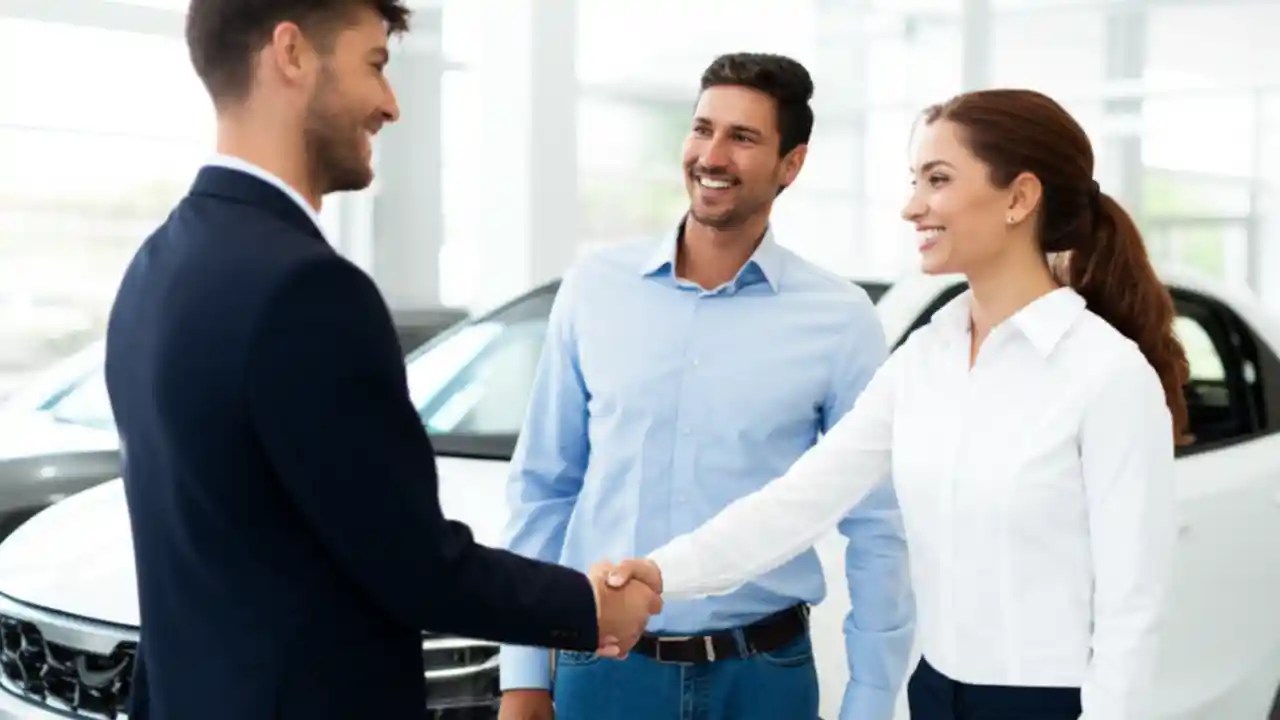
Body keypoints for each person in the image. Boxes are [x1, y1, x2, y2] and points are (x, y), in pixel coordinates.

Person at [103, 2, 659, 719]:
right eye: (375, 64)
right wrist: (587, 607)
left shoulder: (155, 268)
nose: (390, 106)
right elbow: (411, 563)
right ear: (292, 53)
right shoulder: (307, 289)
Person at [609, 88, 1190, 720]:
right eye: (914, 180)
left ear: (1020, 198)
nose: (913, 207)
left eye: (937, 180)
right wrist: (660, 572)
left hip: (1054, 704)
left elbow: (1133, 608)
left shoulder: (1106, 375)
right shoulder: (925, 359)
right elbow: (799, 501)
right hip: (935, 694)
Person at [497, 52, 914, 720]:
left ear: (791, 164)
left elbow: (878, 528)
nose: (711, 155)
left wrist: (869, 699)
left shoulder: (838, 320)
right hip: (603, 670)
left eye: (743, 138)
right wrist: (522, 677)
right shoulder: (595, 289)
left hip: (764, 680)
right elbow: (544, 489)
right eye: (702, 129)